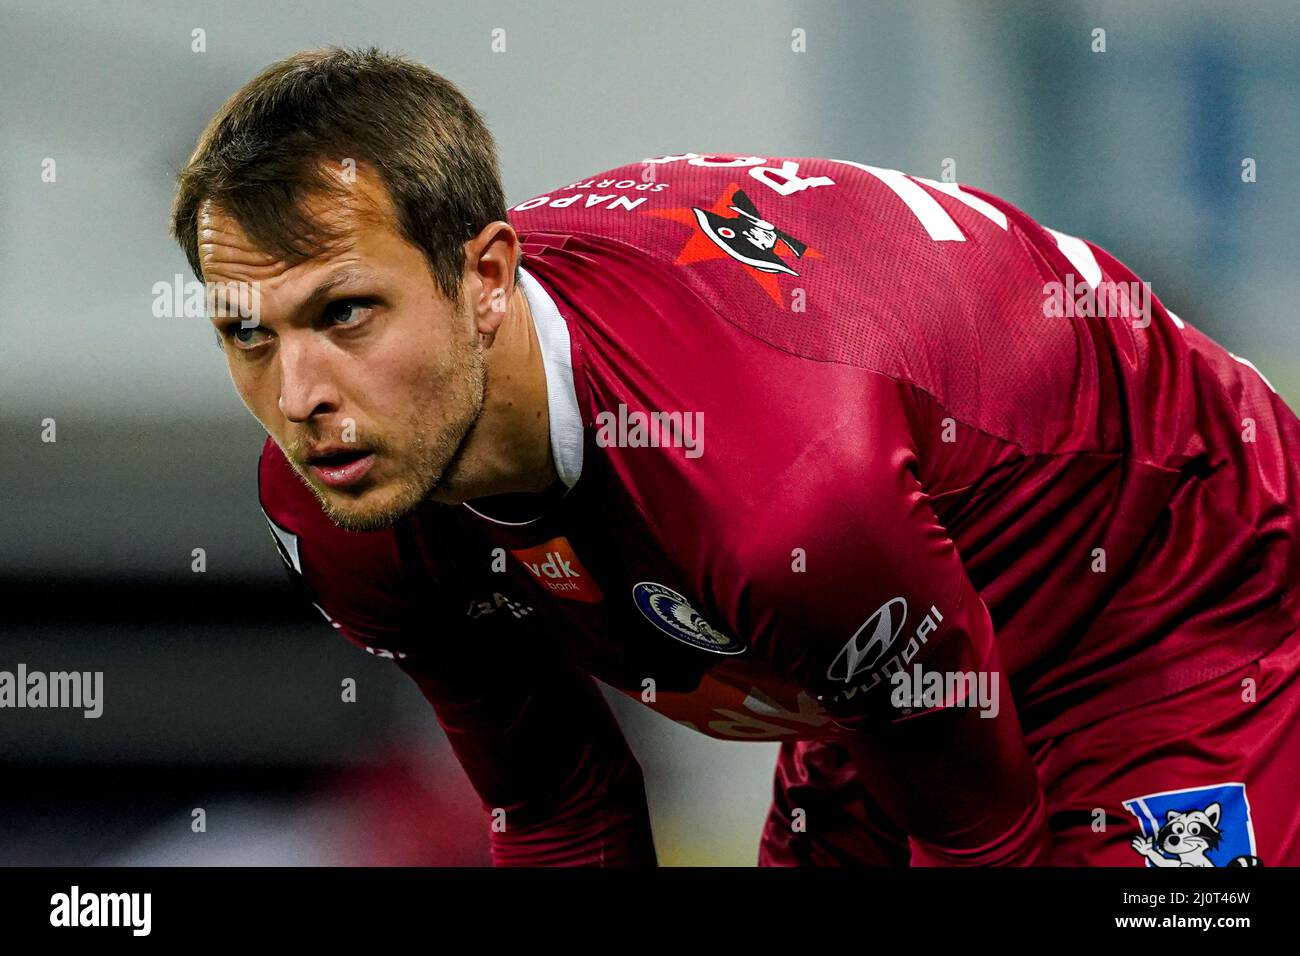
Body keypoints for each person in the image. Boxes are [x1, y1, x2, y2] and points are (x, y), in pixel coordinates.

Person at [170, 47, 1300, 866]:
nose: (301, 393)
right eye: (247, 332)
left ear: (485, 279)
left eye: (349, 312)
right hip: (885, 650)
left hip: (1174, 588)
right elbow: (561, 815)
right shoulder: (343, 503)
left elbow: (976, 835)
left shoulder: (781, 495)